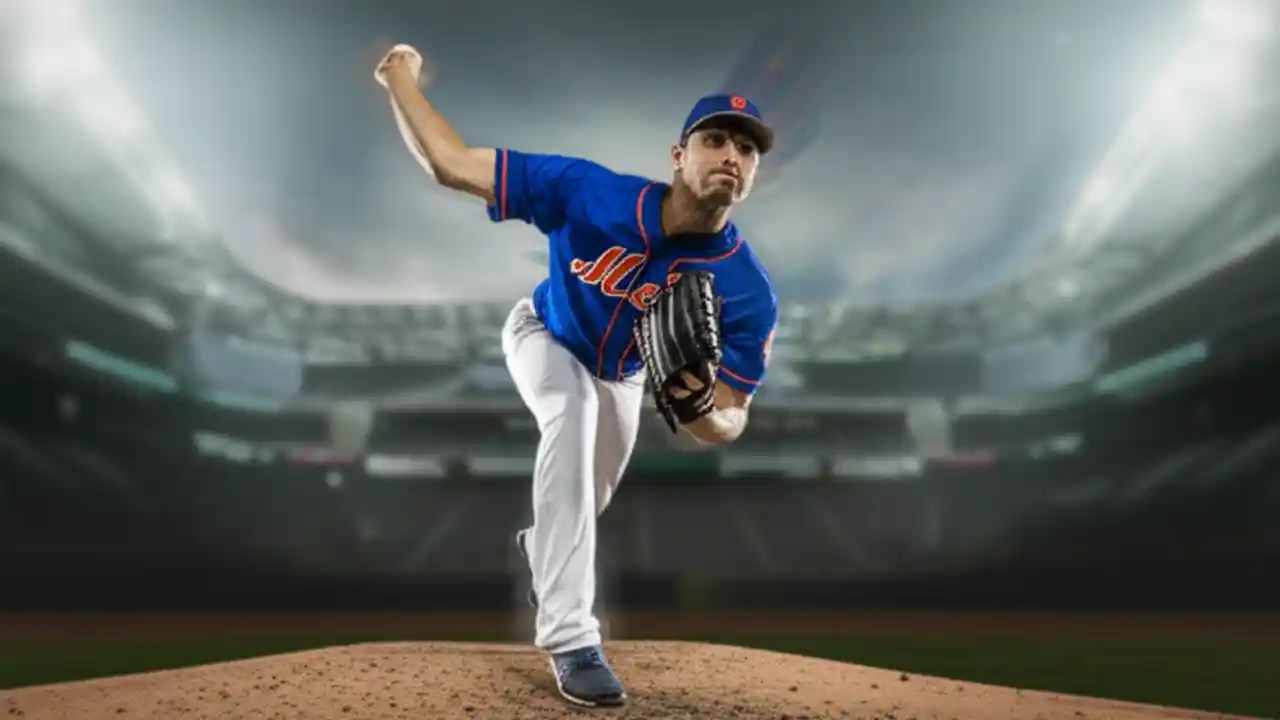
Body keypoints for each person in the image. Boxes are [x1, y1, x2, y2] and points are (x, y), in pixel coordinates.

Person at [375, 43, 778, 708]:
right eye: (715, 140)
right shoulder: (588, 193)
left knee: (584, 501)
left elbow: (729, 420)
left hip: (619, 376)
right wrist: (400, 80)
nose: (731, 156)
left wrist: (703, 406)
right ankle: (571, 638)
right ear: (679, 156)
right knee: (570, 412)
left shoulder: (748, 291)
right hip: (543, 333)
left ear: (755, 170)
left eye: (747, 148)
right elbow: (451, 165)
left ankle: (543, 550)